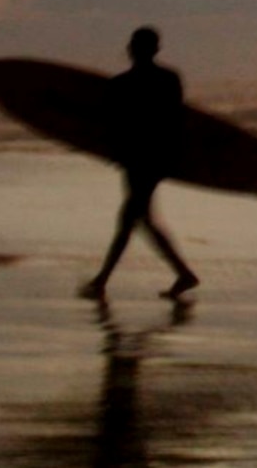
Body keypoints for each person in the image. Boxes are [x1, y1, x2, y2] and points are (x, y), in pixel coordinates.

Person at [79, 27, 199, 300]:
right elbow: (175, 121)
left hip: (143, 159)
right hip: (148, 159)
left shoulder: (121, 84)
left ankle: (101, 281)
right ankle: (183, 274)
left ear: (132, 49)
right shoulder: (166, 79)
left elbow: (106, 124)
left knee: (128, 218)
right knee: (141, 218)